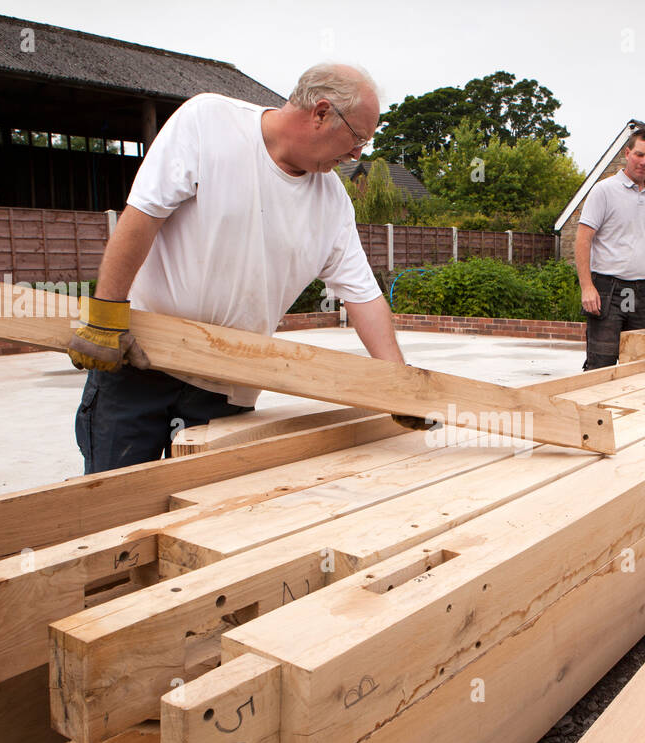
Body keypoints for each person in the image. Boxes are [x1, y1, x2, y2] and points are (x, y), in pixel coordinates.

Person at [69, 63, 415, 473]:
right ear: (321, 112)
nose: (358, 154)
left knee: (209, 502)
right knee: (114, 496)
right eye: (357, 138)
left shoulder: (333, 202)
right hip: (139, 364)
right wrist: (106, 317)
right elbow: (142, 216)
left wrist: (398, 382)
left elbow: (363, 295)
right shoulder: (209, 123)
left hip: (226, 386)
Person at [574, 126, 645, 370]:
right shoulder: (604, 190)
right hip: (607, 290)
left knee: (639, 368)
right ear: (627, 153)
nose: (644, 161)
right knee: (601, 366)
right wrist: (587, 287)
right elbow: (582, 239)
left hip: (643, 291)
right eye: (639, 154)